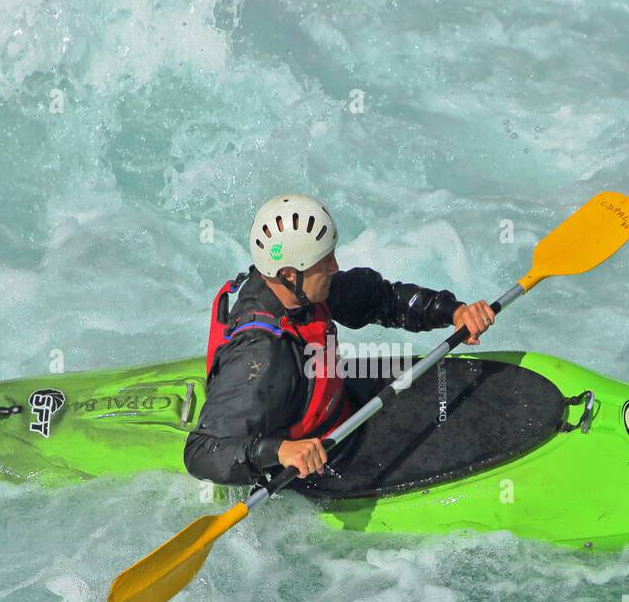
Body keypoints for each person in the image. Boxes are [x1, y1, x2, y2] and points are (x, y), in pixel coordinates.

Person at [184, 194, 495, 484]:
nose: (335, 267)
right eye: (325, 262)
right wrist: (279, 452)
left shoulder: (298, 290)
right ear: (290, 275)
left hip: (339, 406)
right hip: (319, 460)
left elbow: (382, 299)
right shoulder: (262, 359)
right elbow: (201, 451)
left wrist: (452, 312)